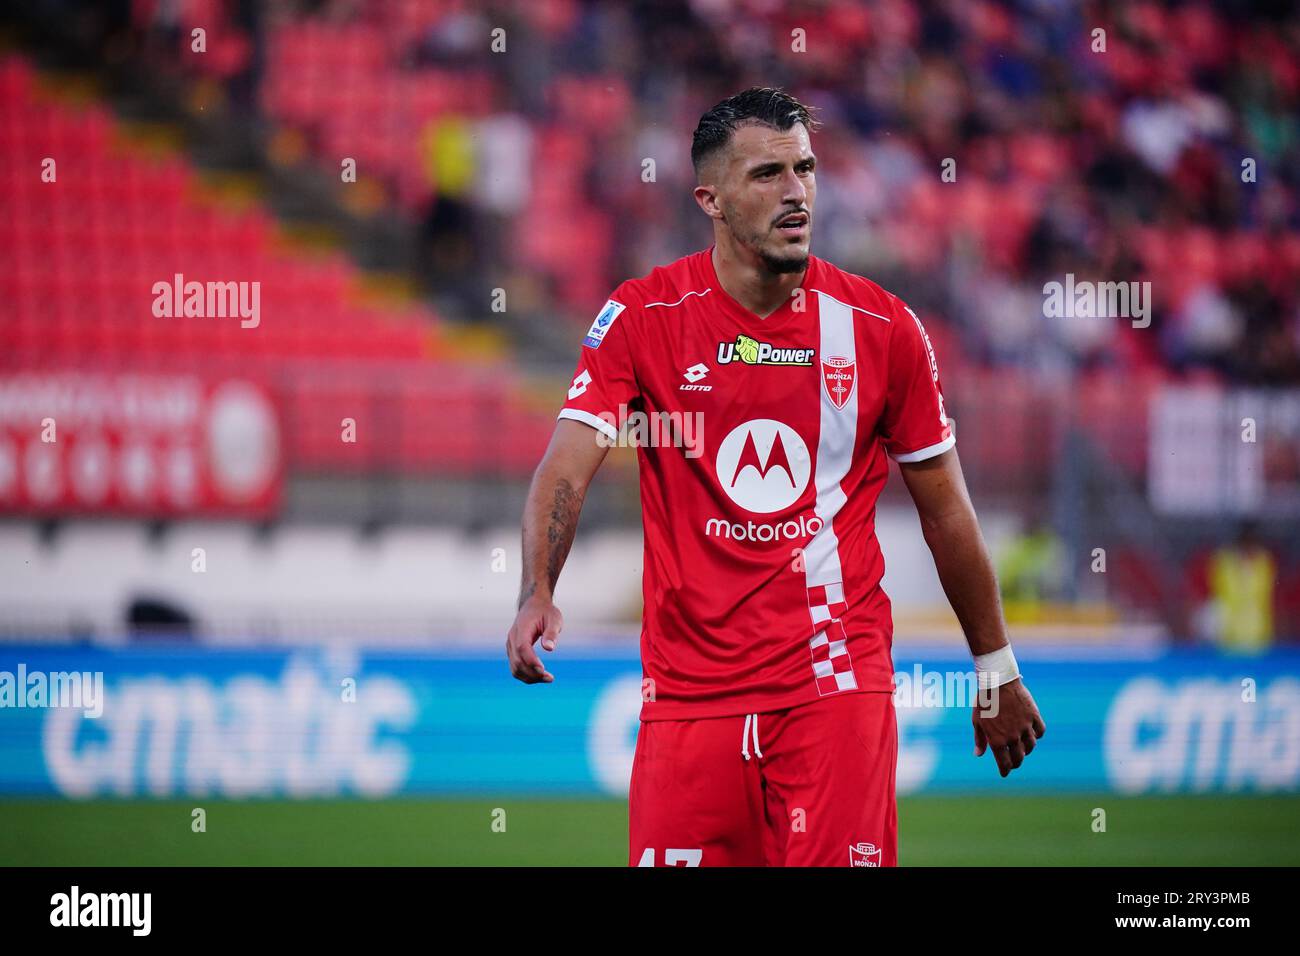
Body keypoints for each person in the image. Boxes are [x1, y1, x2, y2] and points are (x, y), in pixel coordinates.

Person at [506, 88, 1045, 866]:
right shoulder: (643, 318)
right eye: (766, 175)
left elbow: (947, 512)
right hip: (688, 700)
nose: (796, 192)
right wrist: (537, 589)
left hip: (835, 687)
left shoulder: (883, 330)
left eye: (806, 169)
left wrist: (994, 665)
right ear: (711, 199)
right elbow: (566, 464)